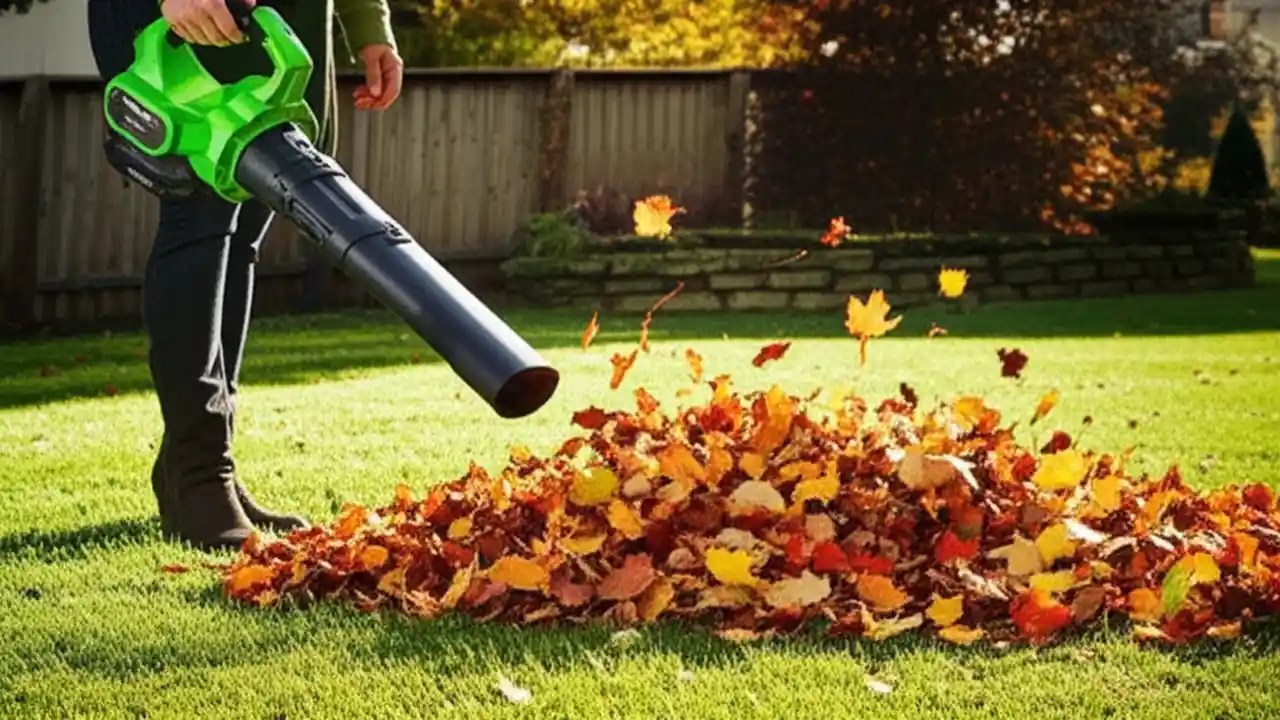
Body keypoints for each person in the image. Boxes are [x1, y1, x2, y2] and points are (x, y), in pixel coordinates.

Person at [86, 0, 403, 550]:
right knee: (201, 210)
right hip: (191, 12)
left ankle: (201, 468)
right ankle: (200, 476)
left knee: (244, 224)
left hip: (285, 18)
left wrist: (367, 22)